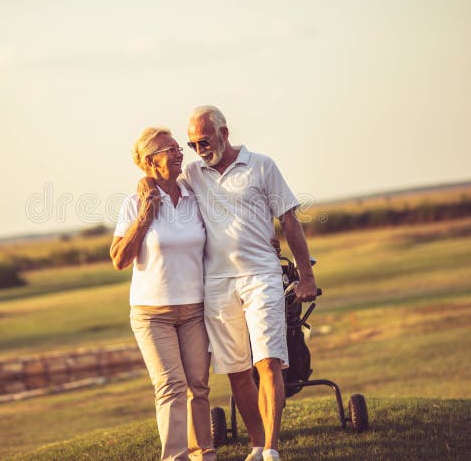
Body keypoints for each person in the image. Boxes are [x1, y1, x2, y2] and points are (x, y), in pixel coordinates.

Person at [182, 105, 318, 461]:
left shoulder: (261, 165)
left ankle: (272, 449)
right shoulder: (193, 172)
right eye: (192, 144)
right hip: (218, 283)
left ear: (224, 133)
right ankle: (257, 445)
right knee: (237, 371)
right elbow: (165, 183)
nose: (199, 149)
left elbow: (289, 221)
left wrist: (306, 276)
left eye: (204, 140)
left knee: (268, 362)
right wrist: (145, 181)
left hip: (261, 277)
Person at [110, 127, 216, 461]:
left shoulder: (193, 194)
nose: (178, 152)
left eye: (176, 147)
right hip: (151, 314)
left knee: (198, 385)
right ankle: (175, 458)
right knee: (170, 386)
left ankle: (205, 455)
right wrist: (145, 215)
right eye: (168, 149)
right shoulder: (132, 204)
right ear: (149, 161)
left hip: (194, 309)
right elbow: (119, 259)